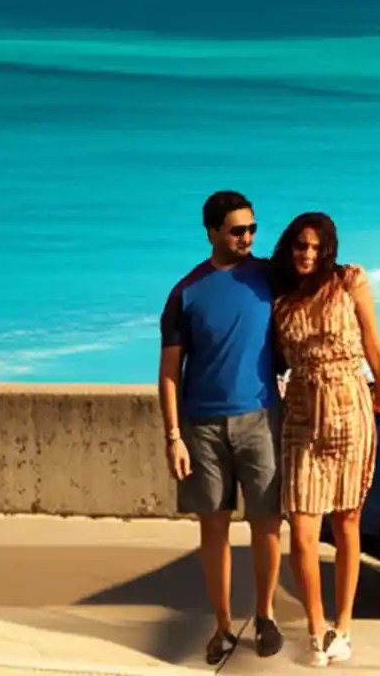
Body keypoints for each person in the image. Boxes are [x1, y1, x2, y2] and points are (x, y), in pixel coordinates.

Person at [269, 211, 380, 667]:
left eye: (315, 246)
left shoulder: (349, 281)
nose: (307, 254)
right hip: (301, 415)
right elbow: (269, 359)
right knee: (303, 532)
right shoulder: (279, 296)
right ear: (290, 247)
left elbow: (374, 346)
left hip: (350, 407)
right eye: (299, 245)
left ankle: (343, 624)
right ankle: (315, 628)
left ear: (326, 249)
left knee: (348, 520)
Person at [158, 190, 286, 665]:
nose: (247, 237)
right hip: (202, 428)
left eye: (252, 228)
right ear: (212, 232)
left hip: (261, 418)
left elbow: (318, 278)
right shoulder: (185, 293)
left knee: (267, 523)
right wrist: (174, 437)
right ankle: (223, 626)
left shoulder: (269, 276)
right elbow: (170, 372)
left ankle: (266, 614)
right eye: (237, 230)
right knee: (214, 529)